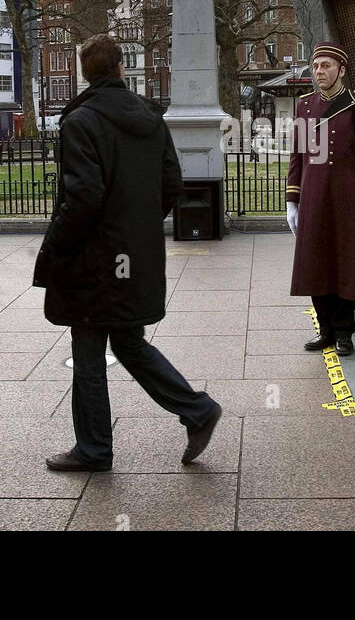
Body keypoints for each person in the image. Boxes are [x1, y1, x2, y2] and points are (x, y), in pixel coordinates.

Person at [40, 34, 221, 472]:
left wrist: (57, 247)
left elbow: (83, 197)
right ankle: (196, 410)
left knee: (88, 351)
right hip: (134, 252)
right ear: (121, 68)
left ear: (86, 73)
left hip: (92, 257)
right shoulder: (151, 117)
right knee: (127, 341)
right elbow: (171, 185)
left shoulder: (80, 121)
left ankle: (95, 448)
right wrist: (137, 227)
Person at [286, 40, 355, 357]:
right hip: (313, 196)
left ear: (341, 69)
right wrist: (292, 200)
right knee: (315, 262)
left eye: (325, 66)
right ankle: (325, 329)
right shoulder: (304, 106)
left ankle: (344, 332)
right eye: (315, 66)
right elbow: (297, 156)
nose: (319, 72)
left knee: (343, 262)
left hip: (345, 197)